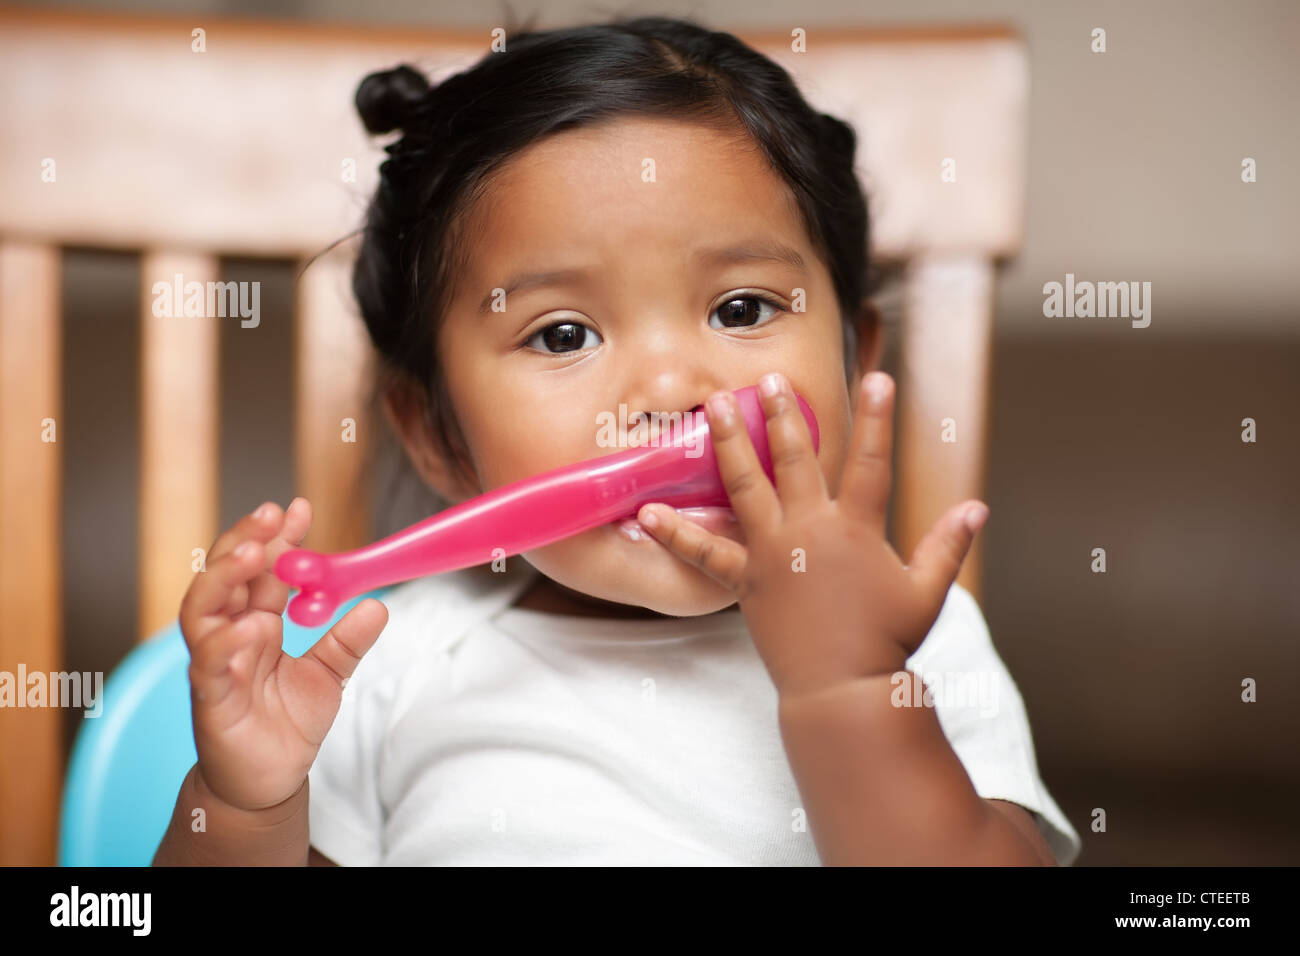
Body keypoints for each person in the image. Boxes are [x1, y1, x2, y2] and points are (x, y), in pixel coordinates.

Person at [153, 15, 1080, 866]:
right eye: (562, 334)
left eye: (742, 308)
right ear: (439, 439)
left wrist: (849, 685)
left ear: (854, 357)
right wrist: (247, 810)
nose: (674, 390)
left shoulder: (911, 635)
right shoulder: (387, 664)